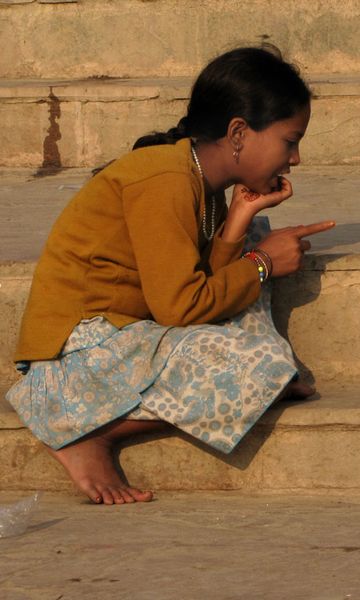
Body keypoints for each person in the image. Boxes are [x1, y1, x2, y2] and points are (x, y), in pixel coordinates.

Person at [5, 46, 335, 505]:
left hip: (132, 335)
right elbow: (184, 307)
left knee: (254, 232)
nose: (295, 158)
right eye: (289, 140)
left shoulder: (204, 183)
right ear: (238, 132)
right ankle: (85, 433)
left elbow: (201, 292)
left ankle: (266, 369)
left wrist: (239, 220)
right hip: (77, 356)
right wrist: (262, 263)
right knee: (257, 361)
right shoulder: (164, 179)